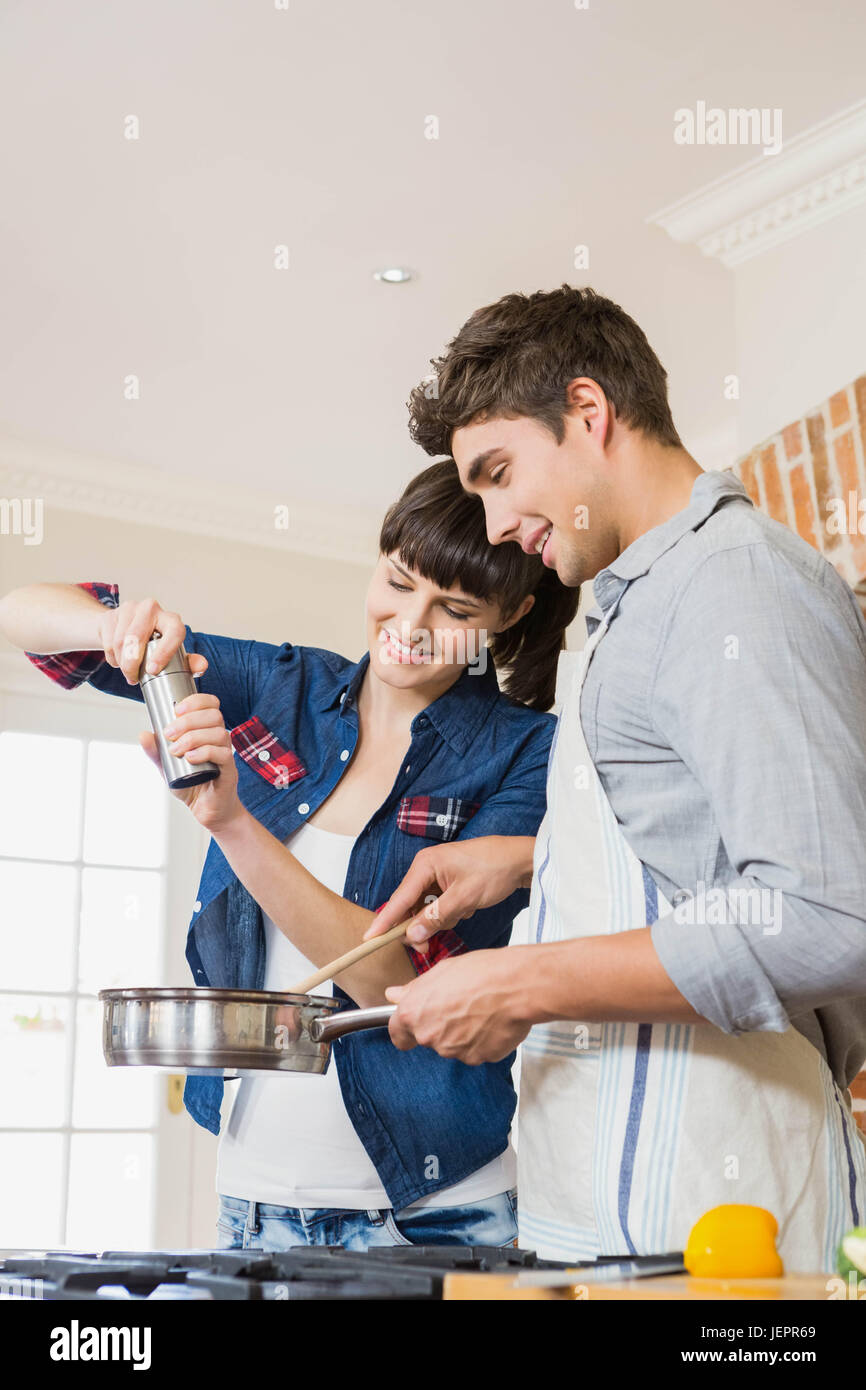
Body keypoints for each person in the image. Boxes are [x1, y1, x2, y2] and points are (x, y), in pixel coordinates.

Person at [365, 284, 866, 1271]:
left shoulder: (737, 585)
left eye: (498, 473)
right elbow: (689, 840)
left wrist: (518, 981)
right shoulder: (615, 601)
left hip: (716, 1206)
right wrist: (522, 861)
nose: (497, 522)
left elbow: (827, 915)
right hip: (596, 1203)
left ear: (588, 414)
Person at [0, 458, 580, 1250]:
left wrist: (234, 823)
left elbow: (401, 980)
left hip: (434, 1218)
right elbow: (22, 616)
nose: (408, 625)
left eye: (454, 607)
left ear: (510, 613)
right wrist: (116, 631)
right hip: (252, 1204)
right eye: (399, 580)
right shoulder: (282, 688)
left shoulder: (525, 753)